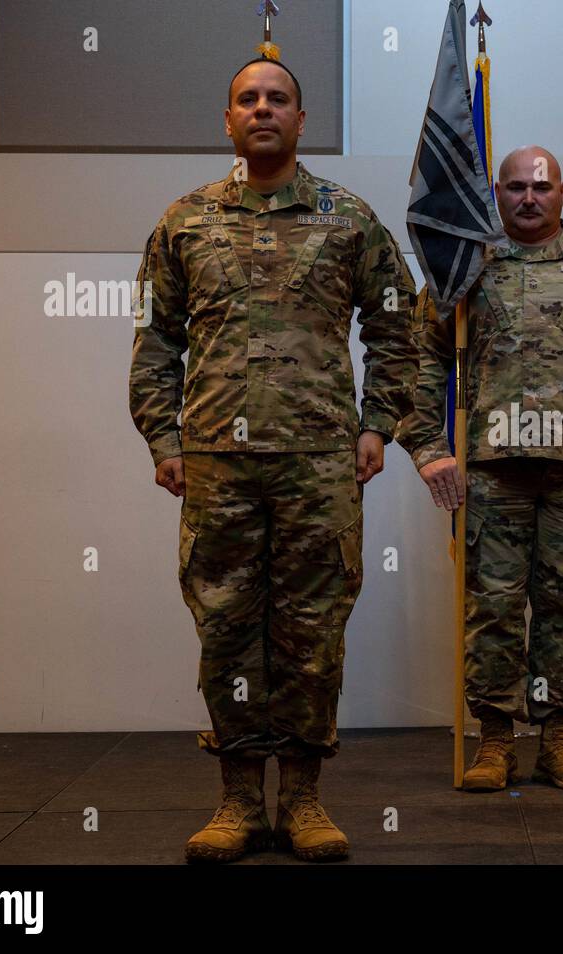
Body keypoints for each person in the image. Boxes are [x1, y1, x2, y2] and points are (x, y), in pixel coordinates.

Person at [129, 55, 417, 862]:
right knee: (226, 627)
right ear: (227, 120)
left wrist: (377, 425)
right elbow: (155, 341)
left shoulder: (349, 220)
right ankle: (235, 801)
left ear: (300, 118)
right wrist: (163, 437)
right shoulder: (184, 222)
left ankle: (302, 797)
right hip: (218, 462)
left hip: (319, 464)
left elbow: (398, 330)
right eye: (247, 99)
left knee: (311, 629)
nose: (263, 108)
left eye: (278, 98)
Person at [397, 146, 563, 792]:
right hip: (494, 470)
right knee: (493, 606)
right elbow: (420, 358)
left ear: (562, 191)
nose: (528, 198)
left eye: (540, 187)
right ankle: (493, 740)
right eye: (514, 187)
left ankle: (559, 738)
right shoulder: (466, 268)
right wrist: (428, 446)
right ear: (495, 192)